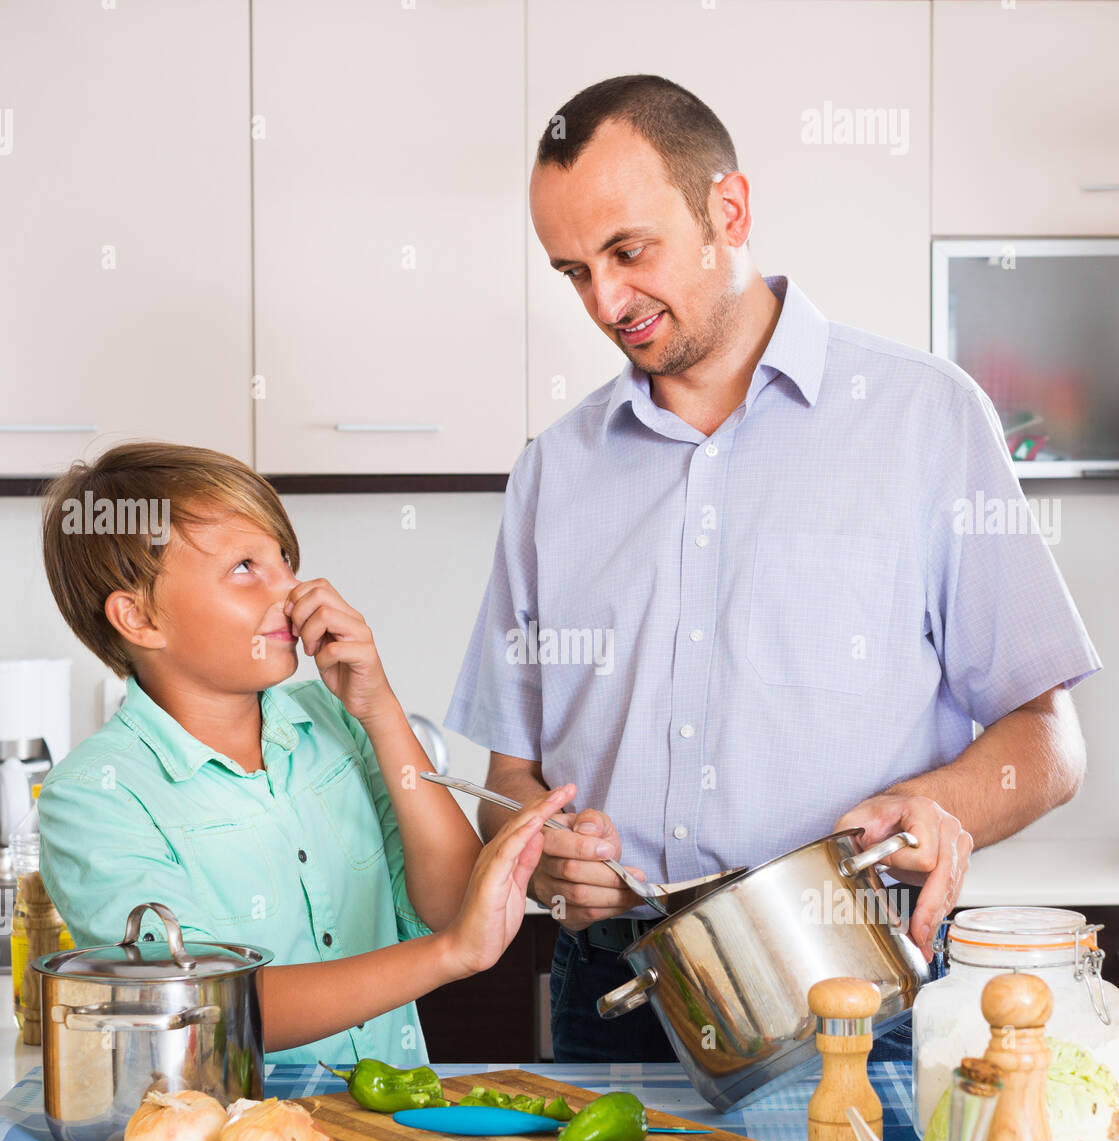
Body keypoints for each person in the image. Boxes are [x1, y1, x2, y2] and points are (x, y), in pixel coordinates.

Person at [445, 75, 1101, 1064]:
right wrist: (543, 866)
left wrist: (944, 803)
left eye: (629, 251)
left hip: (854, 989)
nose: (607, 301)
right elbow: (509, 773)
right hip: (619, 994)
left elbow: (1048, 743)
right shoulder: (556, 468)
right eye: (574, 270)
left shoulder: (927, 420)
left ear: (729, 209)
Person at [37, 441, 569, 1066]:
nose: (292, 589)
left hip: (389, 1121)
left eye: (285, 559)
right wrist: (447, 956)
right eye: (245, 567)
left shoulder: (336, 721)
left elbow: (455, 901)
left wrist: (380, 708)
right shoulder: (94, 797)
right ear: (140, 619)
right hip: (236, 1137)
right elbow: (207, 1009)